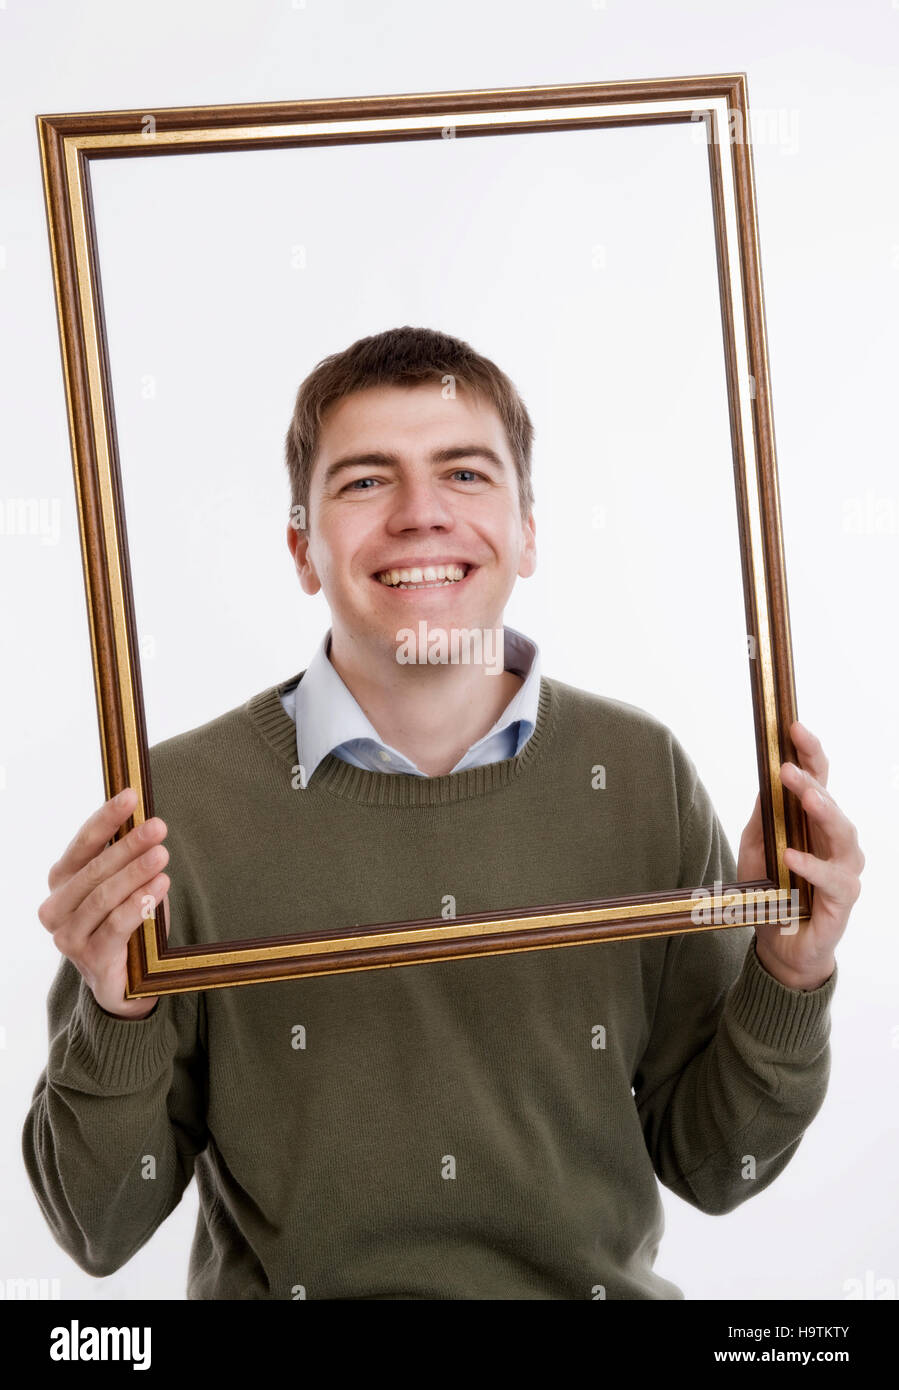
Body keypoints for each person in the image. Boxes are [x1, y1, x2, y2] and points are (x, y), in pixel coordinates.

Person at [23, 327, 864, 1300]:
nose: (421, 516)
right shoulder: (174, 812)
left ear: (528, 529)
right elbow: (98, 1225)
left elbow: (719, 1167)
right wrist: (115, 1011)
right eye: (365, 482)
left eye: (463, 474)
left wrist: (788, 969)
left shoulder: (637, 774)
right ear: (302, 547)